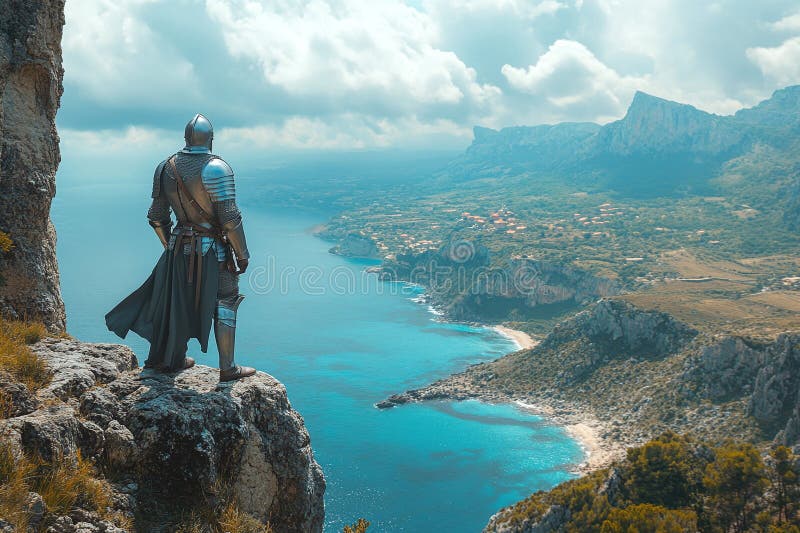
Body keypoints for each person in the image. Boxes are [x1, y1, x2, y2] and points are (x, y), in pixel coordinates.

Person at [106, 114, 256, 382]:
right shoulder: (217, 168)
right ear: (210, 139)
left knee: (175, 303)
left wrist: (170, 245)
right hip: (213, 251)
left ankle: (172, 359)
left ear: (186, 138)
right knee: (226, 300)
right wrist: (242, 255)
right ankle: (228, 368)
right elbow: (230, 219)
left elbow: (156, 216)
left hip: (177, 249)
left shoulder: (165, 168)